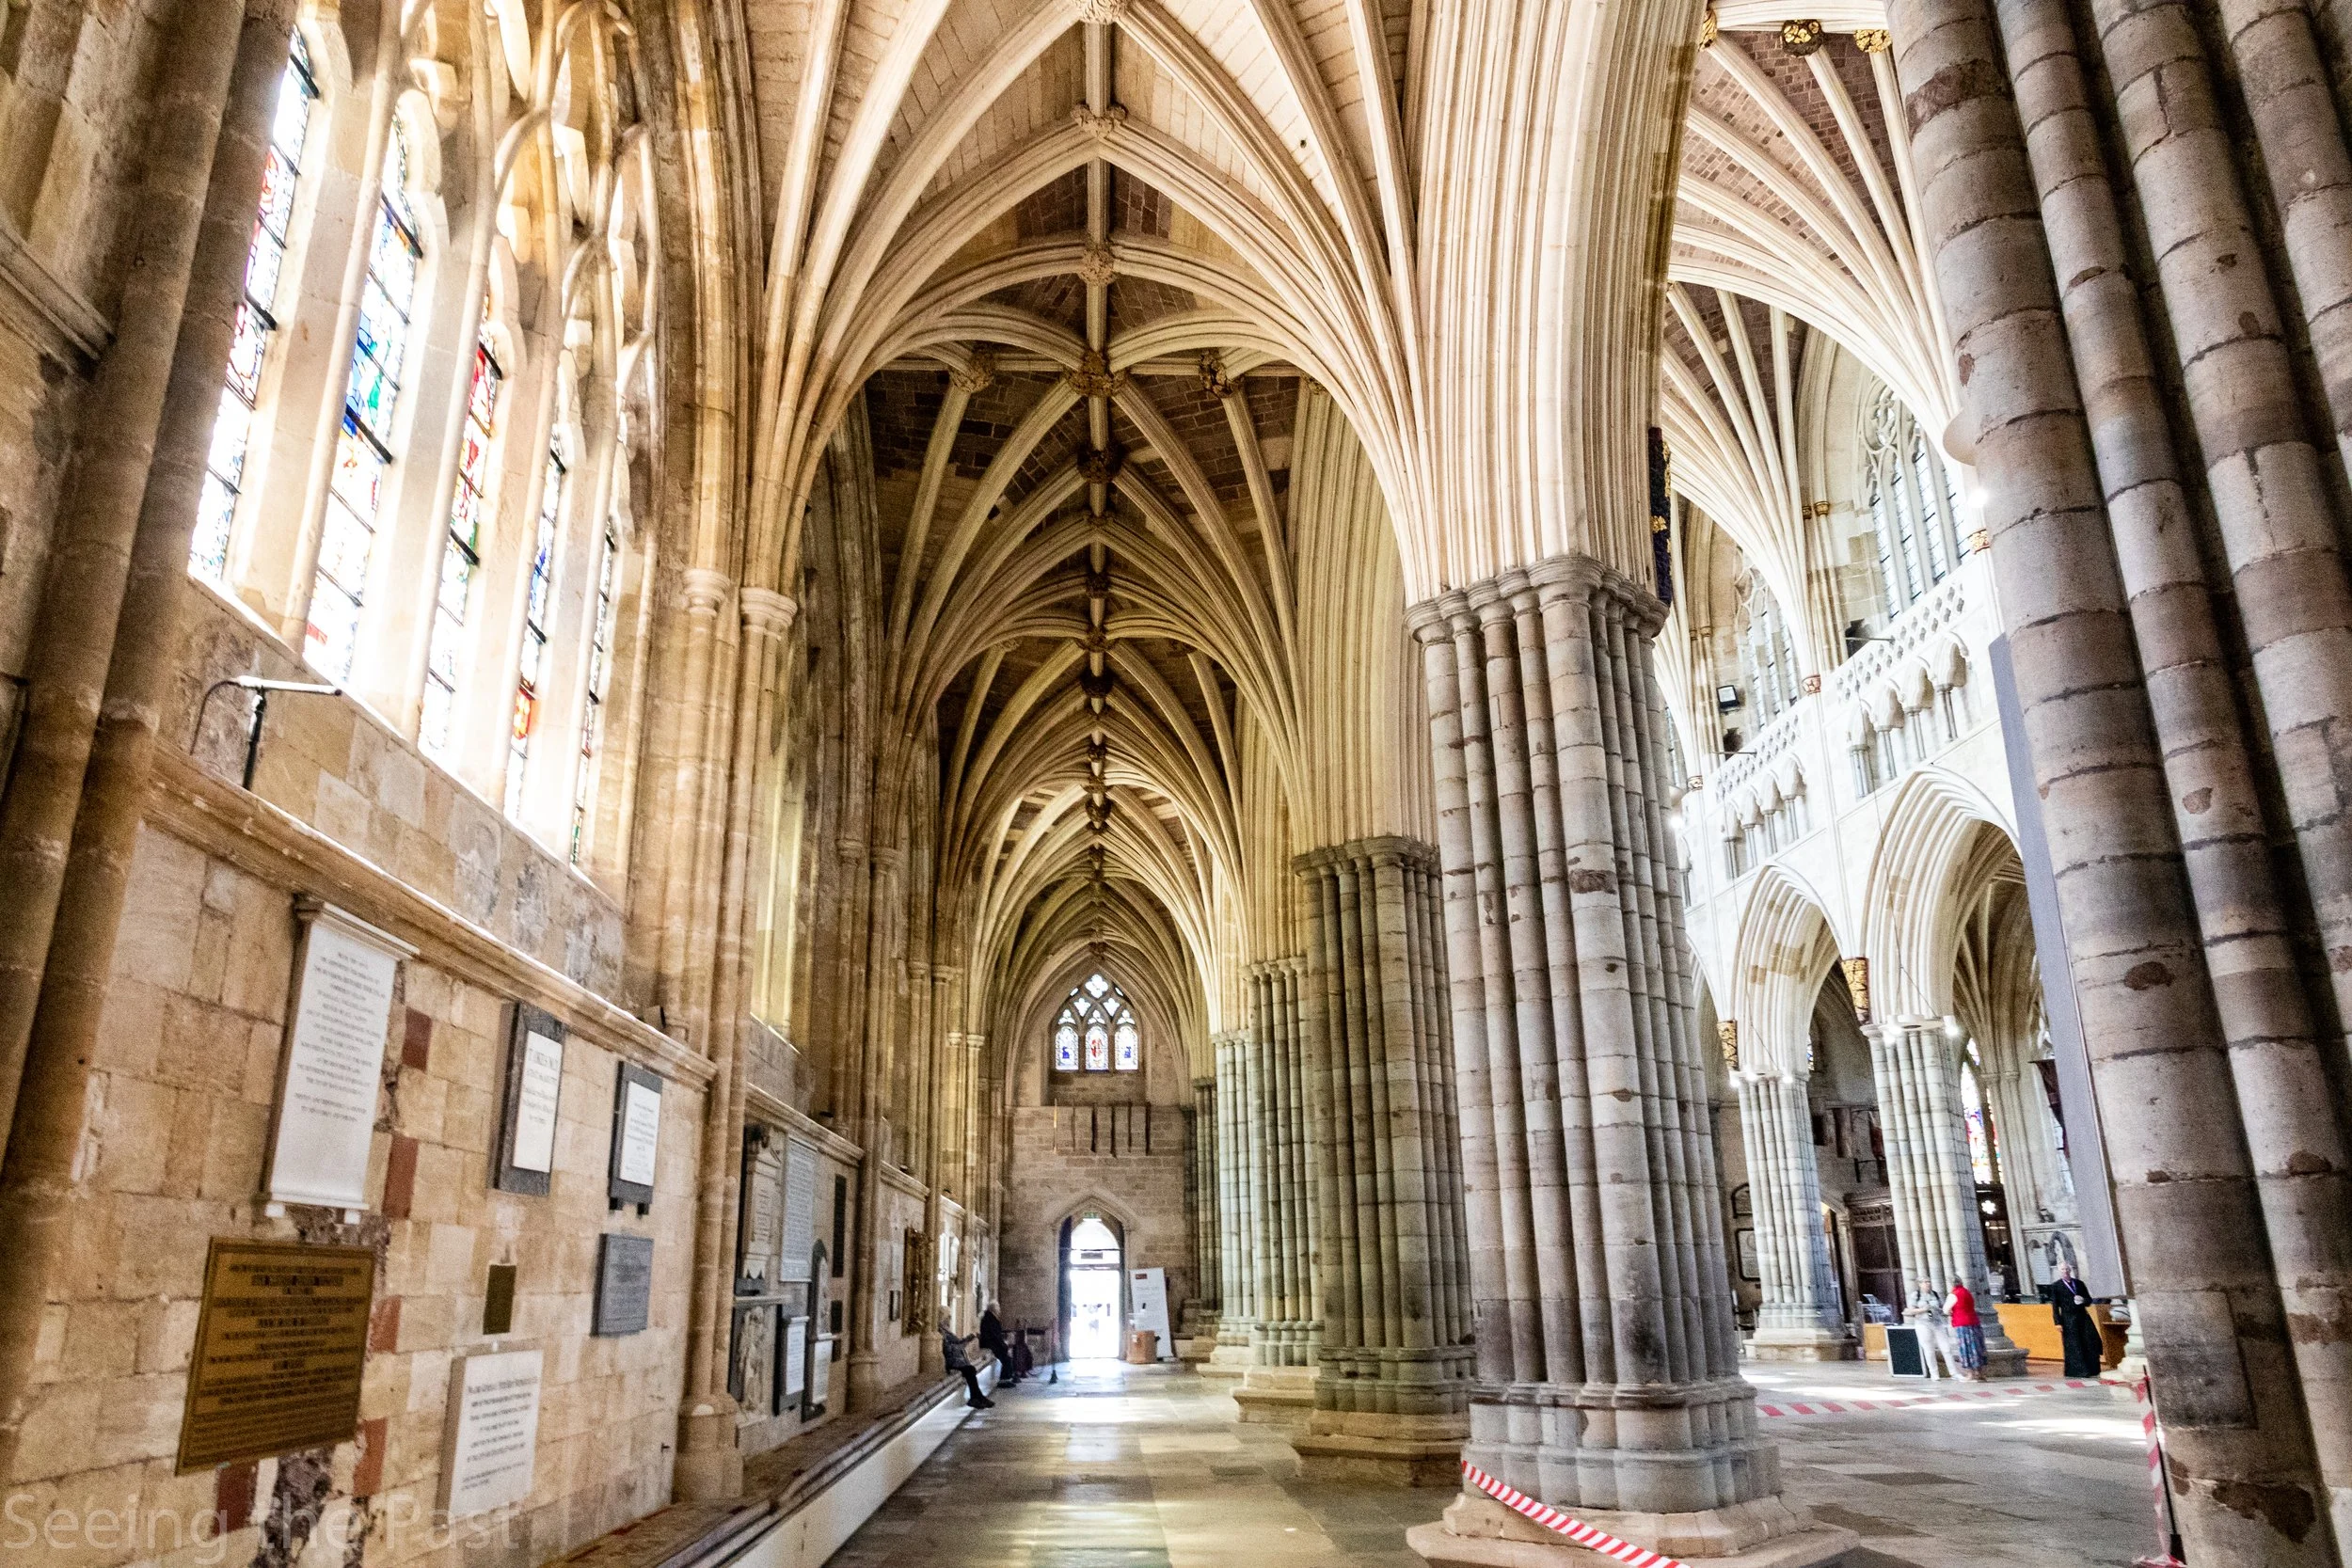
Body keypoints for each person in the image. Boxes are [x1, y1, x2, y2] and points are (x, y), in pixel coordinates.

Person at [2047, 1261, 2104, 1377]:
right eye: (2063, 1269)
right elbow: (2055, 1306)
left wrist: (2083, 1300)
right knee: (2074, 1344)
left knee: (2090, 1340)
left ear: (2070, 1270)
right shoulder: (2056, 1286)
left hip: (2082, 1316)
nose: (2065, 1271)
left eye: (2067, 1269)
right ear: (2059, 1272)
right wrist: (2057, 1322)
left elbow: (2089, 1300)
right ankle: (2078, 1370)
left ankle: (2092, 1368)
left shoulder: (2079, 1283)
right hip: (2068, 1318)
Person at [940, 1322, 993, 1408]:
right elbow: (949, 1348)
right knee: (970, 1370)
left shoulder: (947, 1330)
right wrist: (963, 1344)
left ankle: (977, 1398)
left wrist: (969, 1338)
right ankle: (977, 1398)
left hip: (959, 1360)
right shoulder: (942, 1332)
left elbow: (958, 1343)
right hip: (953, 1361)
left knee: (970, 1370)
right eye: (947, 1317)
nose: (949, 1319)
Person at [1945, 1276, 1986, 1380]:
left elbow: (1945, 1309)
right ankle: (1980, 1373)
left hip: (1962, 1324)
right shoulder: (1967, 1292)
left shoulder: (1953, 1295)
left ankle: (1970, 1374)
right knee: (1977, 1347)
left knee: (1966, 1348)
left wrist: (1951, 1312)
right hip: (1974, 1322)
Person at [978, 1302, 1012, 1384]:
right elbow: (994, 1335)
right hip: (990, 1344)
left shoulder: (990, 1317)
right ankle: (1004, 1380)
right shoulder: (990, 1319)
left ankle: (1006, 1379)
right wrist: (1003, 1345)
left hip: (992, 1343)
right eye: (998, 1308)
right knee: (1006, 1359)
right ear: (994, 1309)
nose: (999, 1310)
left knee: (1006, 1356)